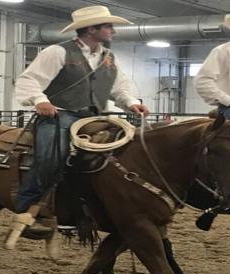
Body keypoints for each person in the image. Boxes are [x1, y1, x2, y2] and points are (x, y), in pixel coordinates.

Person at [12, 4, 148, 237]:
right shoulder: (58, 52)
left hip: (95, 117)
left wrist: (131, 103)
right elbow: (29, 80)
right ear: (91, 29)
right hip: (60, 114)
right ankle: (25, 209)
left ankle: (93, 207)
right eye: (108, 26)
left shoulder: (109, 58)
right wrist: (40, 100)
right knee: (51, 156)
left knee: (127, 151)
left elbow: (119, 89)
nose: (113, 30)